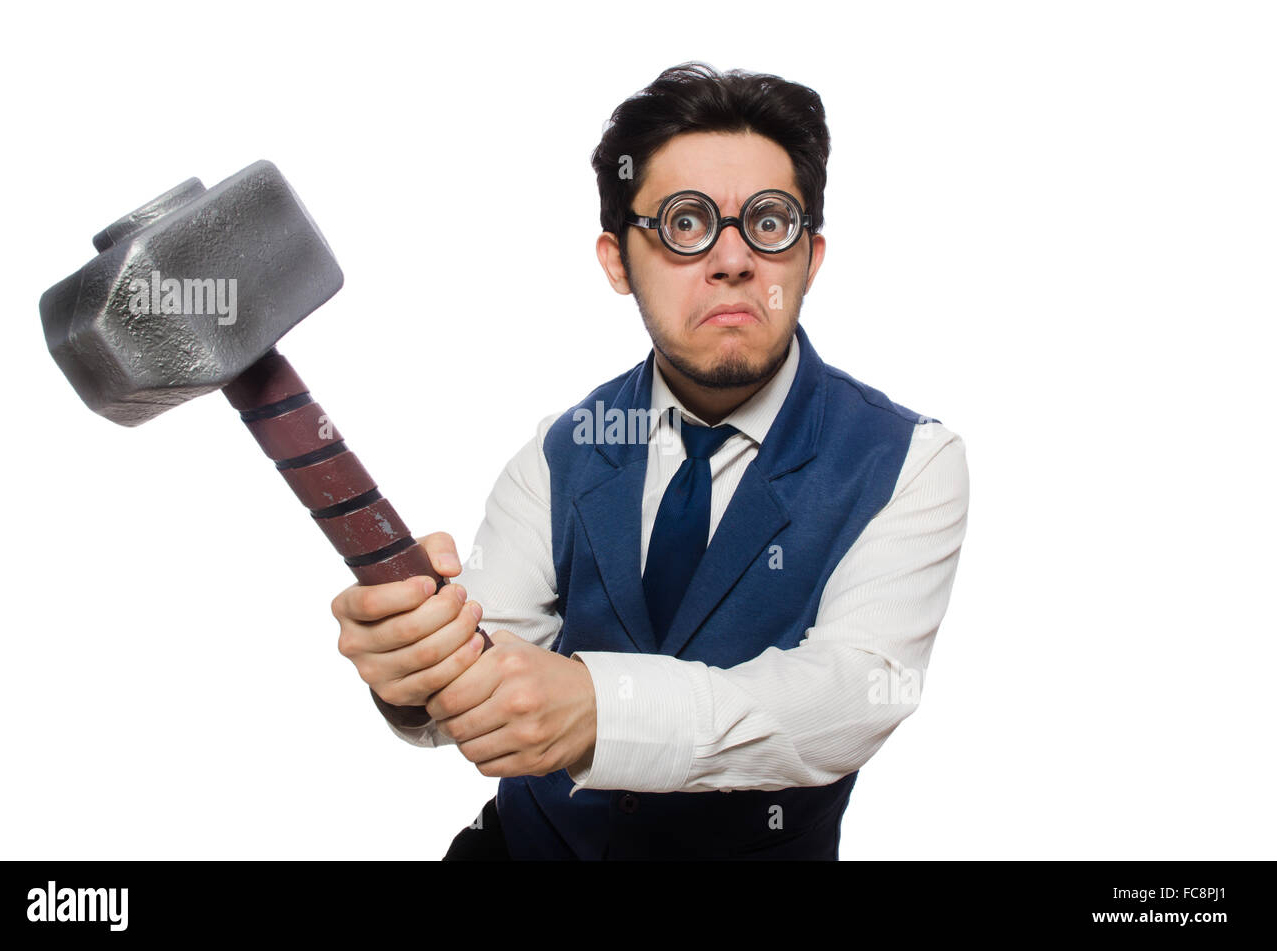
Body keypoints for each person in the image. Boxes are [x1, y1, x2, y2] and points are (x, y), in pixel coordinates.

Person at [332, 62, 970, 860]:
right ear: (616, 259)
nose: (733, 260)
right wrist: (418, 671)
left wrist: (604, 706)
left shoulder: (910, 462)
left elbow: (849, 697)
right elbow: (487, 666)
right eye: (684, 222)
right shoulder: (560, 450)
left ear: (810, 256)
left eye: (769, 223)